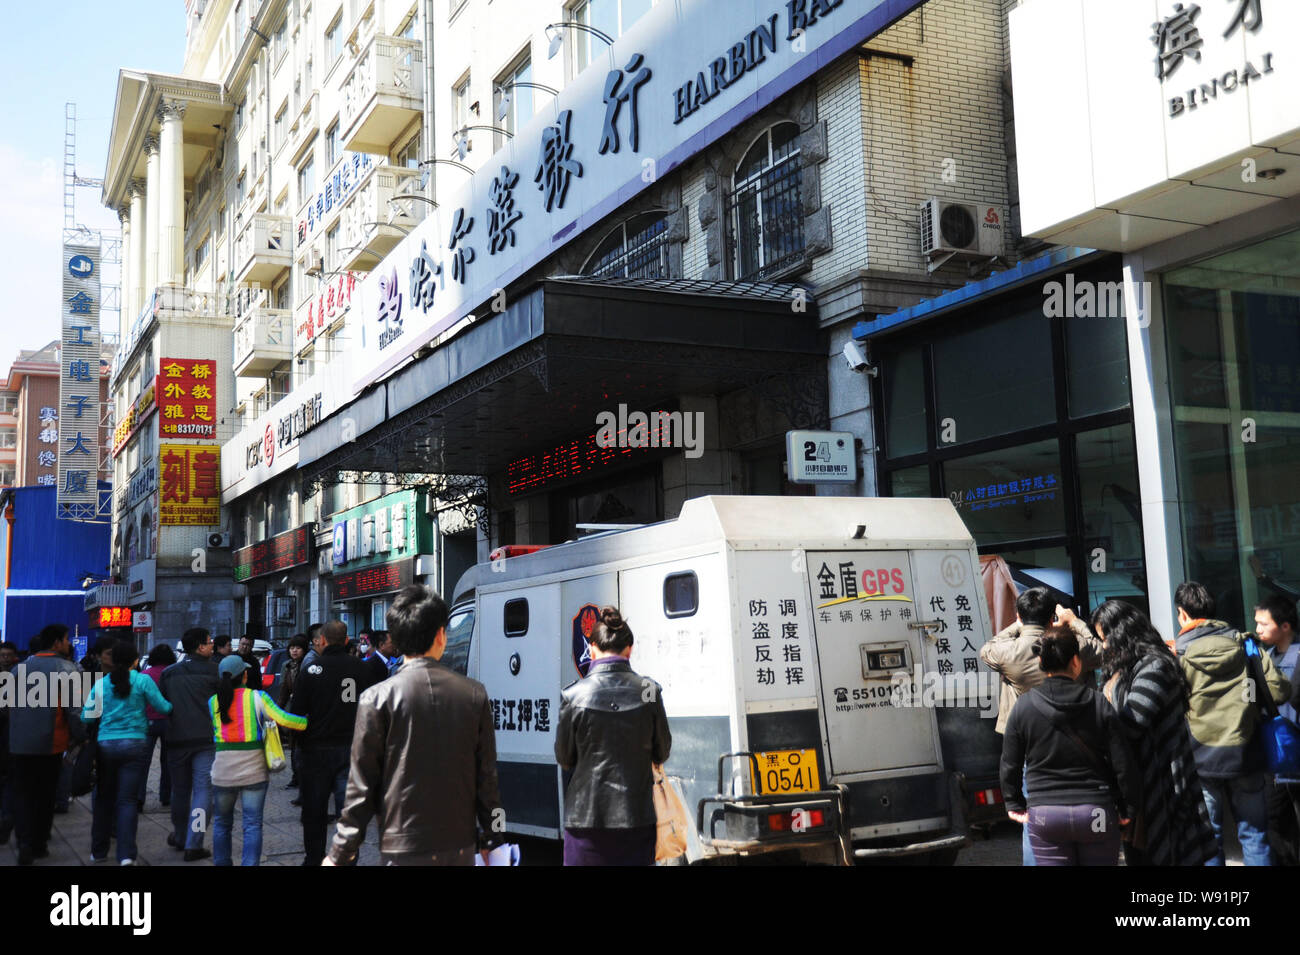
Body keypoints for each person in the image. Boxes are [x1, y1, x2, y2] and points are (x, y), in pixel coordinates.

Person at [326, 585, 502, 866]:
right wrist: (494, 838)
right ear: (441, 635)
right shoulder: (474, 694)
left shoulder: (376, 698)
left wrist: (340, 851)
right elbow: (487, 780)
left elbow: (361, 787)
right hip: (459, 845)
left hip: (402, 845)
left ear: (395, 638)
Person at [979, 586, 1104, 864]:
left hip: (1028, 743)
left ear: (1020, 616)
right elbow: (1099, 649)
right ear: (1052, 618)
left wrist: (1021, 624)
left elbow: (987, 647)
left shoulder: (1008, 653)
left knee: (1033, 818)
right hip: (1076, 741)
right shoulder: (1073, 647)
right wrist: (1074, 622)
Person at [1000, 625, 1138, 866]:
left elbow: (1010, 762)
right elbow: (1122, 761)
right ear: (1076, 661)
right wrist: (1127, 807)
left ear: (1041, 662)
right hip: (1095, 811)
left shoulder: (1024, 706)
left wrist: (1014, 803)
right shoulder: (1098, 703)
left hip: (1046, 814)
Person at [1091, 600, 1216, 867]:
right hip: (1142, 779)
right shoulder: (1129, 666)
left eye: (1105, 638)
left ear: (1122, 633)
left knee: (1165, 853)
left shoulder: (1155, 666)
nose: (1104, 646)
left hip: (1162, 780)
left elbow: (1132, 723)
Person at [1174, 580, 1291, 866]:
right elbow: (1279, 691)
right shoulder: (1246, 643)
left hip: (1201, 756)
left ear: (1183, 614)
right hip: (1246, 752)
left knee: (1209, 836)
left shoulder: (1178, 655)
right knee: (1254, 835)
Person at [556, 607, 671, 866]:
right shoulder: (649, 692)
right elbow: (662, 751)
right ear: (629, 649)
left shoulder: (573, 696)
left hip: (585, 821)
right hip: (637, 818)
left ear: (592, 647)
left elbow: (564, 758)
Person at [208, 655, 307, 866]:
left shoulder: (213, 701)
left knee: (221, 824)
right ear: (244, 675)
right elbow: (284, 719)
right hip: (253, 770)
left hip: (222, 771)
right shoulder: (258, 697)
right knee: (252, 824)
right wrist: (309, 722)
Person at [290, 620, 375, 866]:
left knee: (314, 810)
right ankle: (348, 858)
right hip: (352, 749)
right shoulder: (362, 668)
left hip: (316, 750)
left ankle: (313, 858)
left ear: (323, 640)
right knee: (348, 812)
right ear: (347, 640)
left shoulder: (312, 670)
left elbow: (297, 714)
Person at [81, 641, 173, 866]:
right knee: (127, 802)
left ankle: (98, 852)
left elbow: (87, 717)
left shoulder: (102, 684)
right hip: (135, 745)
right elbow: (163, 708)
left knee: (104, 800)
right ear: (134, 660)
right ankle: (126, 855)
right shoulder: (143, 681)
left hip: (106, 746)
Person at [7, 624, 84, 865]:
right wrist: (80, 736)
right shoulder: (68, 669)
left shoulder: (18, 669)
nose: (68, 644)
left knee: (23, 793)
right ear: (57, 642)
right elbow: (75, 711)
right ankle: (38, 843)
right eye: (66, 639)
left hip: (19, 743)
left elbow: (6, 706)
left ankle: (23, 842)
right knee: (45, 794)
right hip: (51, 743)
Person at [160, 627, 222, 862]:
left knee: (180, 790)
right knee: (203, 791)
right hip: (206, 740)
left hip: (175, 739)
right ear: (199, 646)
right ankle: (193, 843)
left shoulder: (169, 673)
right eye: (209, 642)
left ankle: (180, 834)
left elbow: (162, 703)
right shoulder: (216, 672)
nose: (212, 645)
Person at [1254, 594, 1300, 865]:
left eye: (1263, 623)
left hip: (1293, 753)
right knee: (1276, 821)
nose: (1258, 629)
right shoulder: (1265, 658)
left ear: (1285, 626)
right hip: (1277, 757)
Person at [137, 644, 176, 809]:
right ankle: (166, 796)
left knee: (143, 762)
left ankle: (139, 797)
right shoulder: (174, 674)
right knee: (168, 761)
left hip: (147, 722)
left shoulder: (144, 675)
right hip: (169, 721)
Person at [279, 634, 309, 794]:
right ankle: (295, 777)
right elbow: (284, 690)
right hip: (293, 713)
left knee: (300, 747)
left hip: (305, 712)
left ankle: (301, 779)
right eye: (292, 648)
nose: (294, 651)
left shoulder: (307, 665)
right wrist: (278, 712)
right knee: (293, 745)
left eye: (297, 648)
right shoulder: (289, 666)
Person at [0, 640, 18, 846]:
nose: (5, 658)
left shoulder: (19, 676)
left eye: (8, 655)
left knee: (8, 781)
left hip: (12, 737)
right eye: (2, 655)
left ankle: (6, 820)